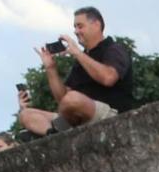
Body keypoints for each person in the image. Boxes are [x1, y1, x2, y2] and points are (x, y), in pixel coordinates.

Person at [17, 7, 135, 136]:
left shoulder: (114, 49)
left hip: (110, 113)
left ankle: (59, 129)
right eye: (75, 27)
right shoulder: (82, 59)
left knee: (73, 99)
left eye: (80, 26)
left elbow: (108, 78)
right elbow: (62, 100)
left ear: (96, 25)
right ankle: (53, 134)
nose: (76, 31)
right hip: (78, 118)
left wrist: (78, 53)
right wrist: (50, 68)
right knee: (26, 115)